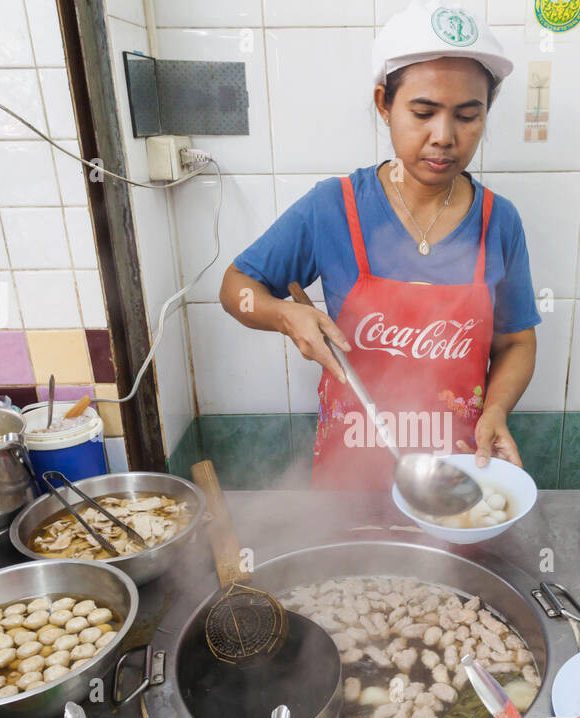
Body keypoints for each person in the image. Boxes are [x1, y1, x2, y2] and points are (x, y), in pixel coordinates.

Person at [218, 1, 540, 490]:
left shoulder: (501, 222)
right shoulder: (334, 207)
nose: (444, 137)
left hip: (454, 477)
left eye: (468, 116)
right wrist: (286, 316)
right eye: (423, 112)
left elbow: (516, 341)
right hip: (347, 480)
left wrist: (495, 409)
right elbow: (236, 288)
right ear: (384, 105)